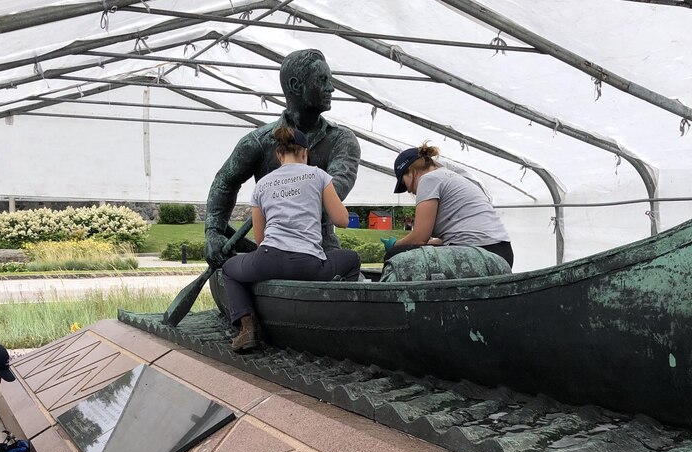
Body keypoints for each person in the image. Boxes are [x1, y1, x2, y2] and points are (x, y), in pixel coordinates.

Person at [204, 48, 361, 268]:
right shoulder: (257, 141)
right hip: (273, 251)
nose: (331, 88)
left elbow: (338, 188)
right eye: (322, 80)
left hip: (321, 249)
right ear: (297, 86)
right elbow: (225, 182)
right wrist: (214, 231)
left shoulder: (342, 140)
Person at [221, 126, 359, 353]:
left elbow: (259, 238)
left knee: (228, 269)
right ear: (305, 153)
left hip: (268, 261)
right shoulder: (318, 175)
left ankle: (247, 329)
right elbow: (342, 220)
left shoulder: (262, 185)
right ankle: (340, 318)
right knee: (352, 259)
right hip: (310, 265)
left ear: (278, 154)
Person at [388, 142, 514, 268]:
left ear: (411, 171)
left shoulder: (428, 179)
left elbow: (419, 239)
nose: (409, 191)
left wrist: (394, 245)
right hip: (502, 252)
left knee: (395, 254)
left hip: (479, 252)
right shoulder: (450, 176)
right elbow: (452, 237)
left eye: (404, 184)